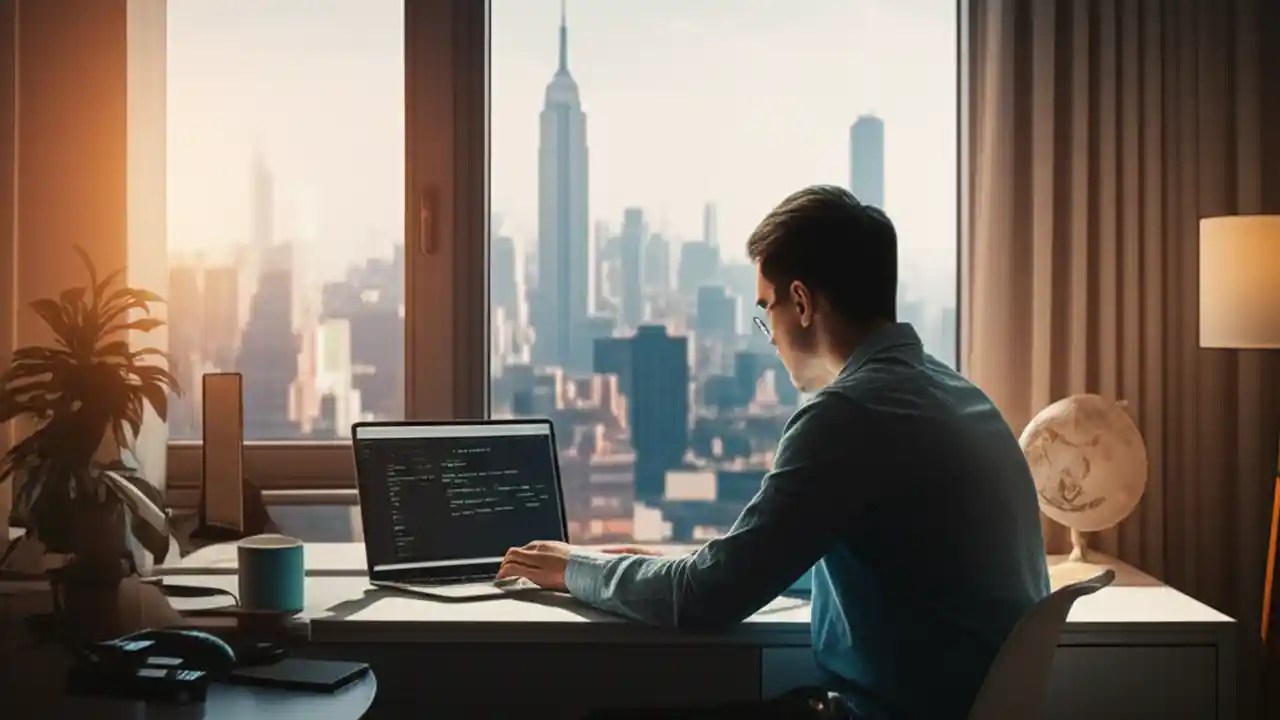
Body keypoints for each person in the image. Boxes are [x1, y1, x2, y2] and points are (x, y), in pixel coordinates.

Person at [498, 185, 1051, 719]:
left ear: (803, 302)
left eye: (767, 310)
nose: (770, 335)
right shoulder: (957, 394)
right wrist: (685, 566)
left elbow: (706, 601)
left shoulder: (848, 415)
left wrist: (578, 570)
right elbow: (873, 564)